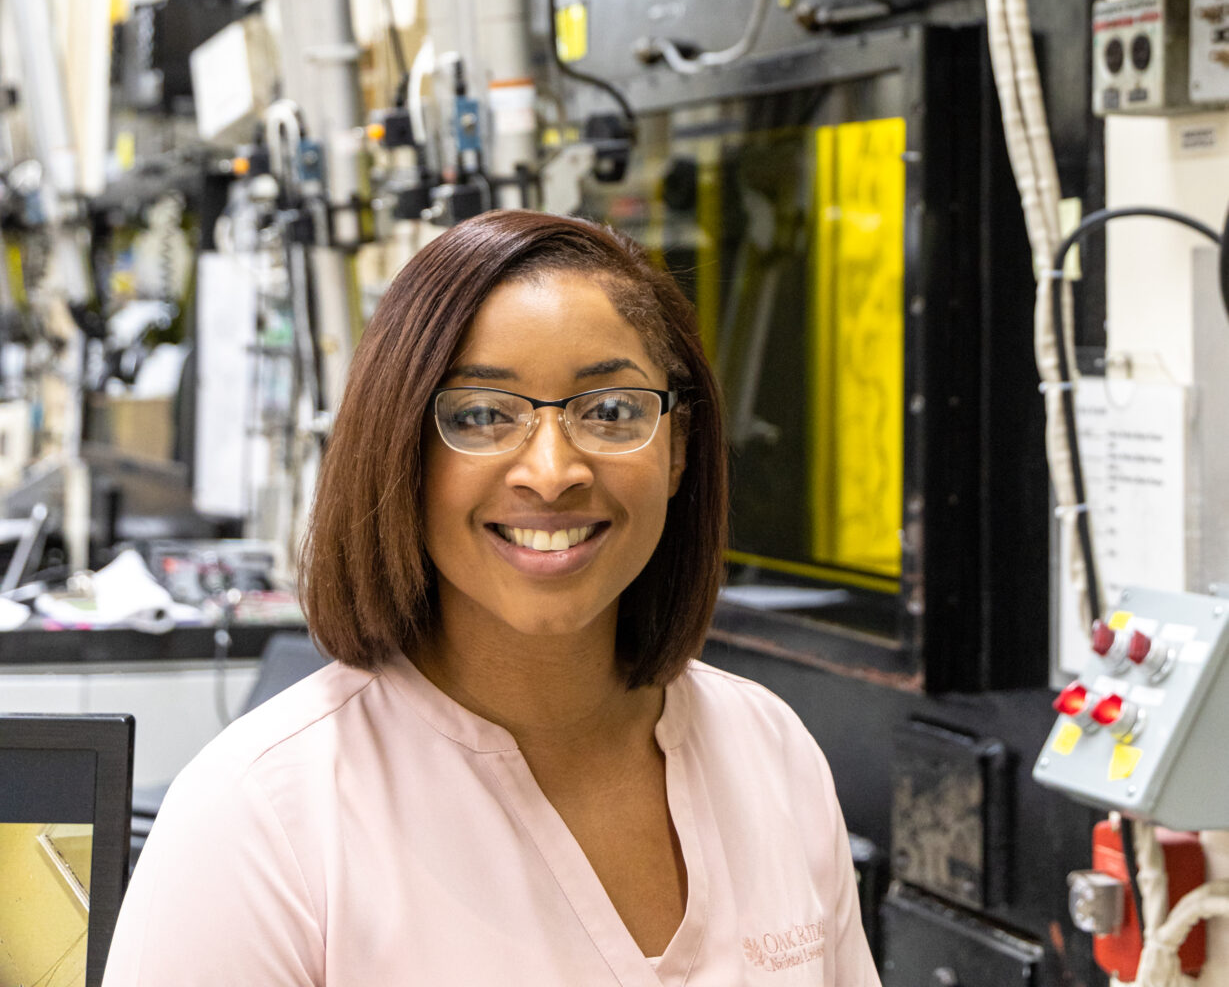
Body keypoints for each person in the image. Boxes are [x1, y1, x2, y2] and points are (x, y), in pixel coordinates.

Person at [103, 211, 880, 985]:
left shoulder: (767, 750)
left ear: (678, 449)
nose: (550, 472)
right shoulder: (259, 816)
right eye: (480, 415)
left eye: (610, 411)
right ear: (398, 449)